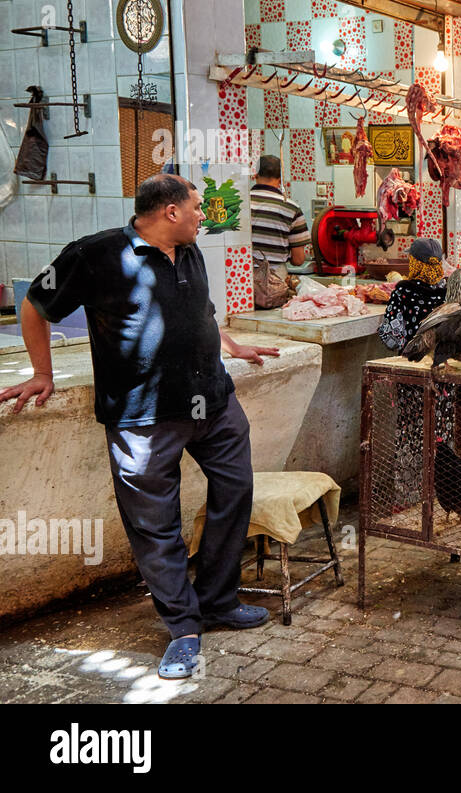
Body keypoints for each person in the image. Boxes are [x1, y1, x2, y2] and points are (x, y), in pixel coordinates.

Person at [0, 174, 280, 679]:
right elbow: (34, 307)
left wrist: (231, 345)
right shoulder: (95, 254)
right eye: (196, 207)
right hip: (142, 416)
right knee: (155, 526)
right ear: (170, 211)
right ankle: (184, 628)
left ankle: (218, 602)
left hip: (213, 403)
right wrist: (42, 372)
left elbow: (198, 311)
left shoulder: (190, 250)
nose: (203, 215)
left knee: (235, 491)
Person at [249, 155, 310, 275]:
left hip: (242, 275)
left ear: (255, 175)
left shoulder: (241, 204)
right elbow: (298, 260)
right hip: (275, 277)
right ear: (280, 179)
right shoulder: (291, 208)